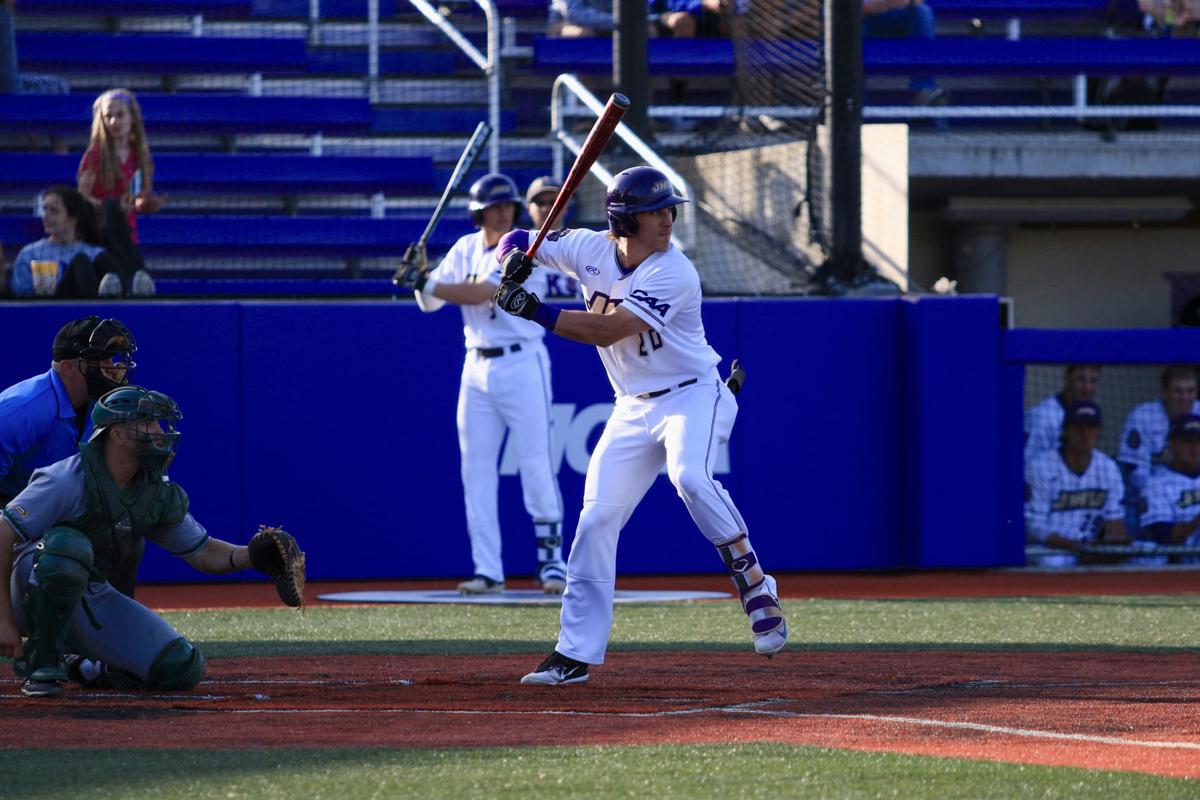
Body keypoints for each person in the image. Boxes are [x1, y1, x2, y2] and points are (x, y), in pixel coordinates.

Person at [494, 165, 787, 685]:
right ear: (624, 221)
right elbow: (519, 237)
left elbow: (611, 331)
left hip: (694, 395)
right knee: (595, 522)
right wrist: (513, 259)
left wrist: (534, 309)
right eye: (655, 211)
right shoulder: (587, 246)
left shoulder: (674, 271)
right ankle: (573, 654)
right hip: (631, 406)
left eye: (669, 209)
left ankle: (754, 580)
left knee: (690, 478)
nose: (668, 220)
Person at [0, 385, 292, 698]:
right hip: (26, 591)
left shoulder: (154, 491)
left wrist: (253, 555)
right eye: (148, 422)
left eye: (159, 422)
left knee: (180, 667)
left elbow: (203, 552)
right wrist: (3, 620)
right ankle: (41, 664)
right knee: (67, 548)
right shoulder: (69, 478)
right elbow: (3, 532)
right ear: (117, 435)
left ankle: (82, 666)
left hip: (90, 594)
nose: (159, 432)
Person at [413, 173, 566, 596]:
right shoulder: (464, 247)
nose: (503, 212)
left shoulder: (523, 247)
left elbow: (482, 292)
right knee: (475, 470)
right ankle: (487, 570)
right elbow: (429, 303)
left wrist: (425, 281)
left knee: (535, 461)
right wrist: (418, 275)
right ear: (478, 212)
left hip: (522, 361)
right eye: (494, 207)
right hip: (476, 365)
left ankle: (552, 564)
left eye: (507, 206)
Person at [0, 317, 147, 597]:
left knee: (124, 534)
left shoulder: (99, 406)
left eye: (112, 357)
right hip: (12, 508)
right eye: (99, 358)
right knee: (63, 548)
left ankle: (107, 630)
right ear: (67, 366)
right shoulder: (21, 412)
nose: (112, 367)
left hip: (48, 503)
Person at [77, 88, 164, 298]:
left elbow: (140, 195)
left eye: (120, 115)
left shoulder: (140, 156)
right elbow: (81, 197)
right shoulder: (95, 155)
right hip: (98, 229)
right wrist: (114, 206)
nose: (115, 121)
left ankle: (134, 279)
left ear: (132, 117)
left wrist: (144, 203)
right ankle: (138, 275)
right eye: (109, 116)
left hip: (126, 230)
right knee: (109, 206)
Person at [1025, 401, 1129, 567]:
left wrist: (1113, 545)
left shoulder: (1108, 467)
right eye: (1078, 427)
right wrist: (1074, 545)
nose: (1085, 433)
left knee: (1147, 554)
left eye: (1091, 427)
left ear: (1099, 431)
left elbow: (1115, 521)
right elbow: (1032, 527)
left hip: (1091, 549)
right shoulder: (1041, 466)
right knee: (1053, 562)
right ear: (1066, 430)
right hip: (1051, 549)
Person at [9, 186, 131, 298]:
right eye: (44, 209)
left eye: (54, 211)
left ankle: (137, 291)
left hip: (88, 313)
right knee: (80, 261)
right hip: (51, 310)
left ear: (74, 218)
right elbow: (20, 293)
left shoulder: (95, 253)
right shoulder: (29, 253)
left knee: (98, 259)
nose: (45, 216)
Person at [1117, 365, 1200, 512]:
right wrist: (1163, 494)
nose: (1185, 398)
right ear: (1165, 393)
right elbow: (1134, 471)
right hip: (1151, 493)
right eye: (1178, 391)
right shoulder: (1142, 416)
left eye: (1190, 391)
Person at [862, 0, 945, 109]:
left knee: (922, 12)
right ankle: (851, 98)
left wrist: (884, 4)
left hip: (895, 13)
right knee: (848, 22)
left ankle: (924, 88)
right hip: (859, 19)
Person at [1142, 413, 1200, 561]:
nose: (1195, 448)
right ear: (1172, 443)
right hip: (1183, 562)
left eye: (1199, 441)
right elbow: (1164, 536)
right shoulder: (1157, 483)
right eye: (1189, 441)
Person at [1024, 364, 1101, 465]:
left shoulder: (1089, 415)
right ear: (1067, 379)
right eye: (1081, 379)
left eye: (1093, 381)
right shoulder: (1045, 416)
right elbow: (1029, 465)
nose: (1087, 388)